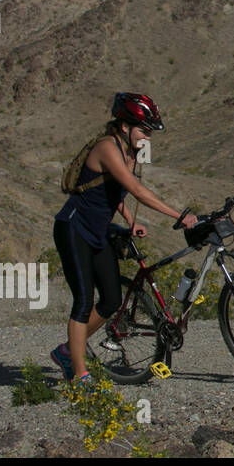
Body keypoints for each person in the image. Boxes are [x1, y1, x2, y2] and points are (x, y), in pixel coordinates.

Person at [50, 92, 198, 383]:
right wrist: (178, 216)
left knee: (111, 300)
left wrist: (131, 220)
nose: (148, 139)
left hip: (98, 232)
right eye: (145, 131)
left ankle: (68, 350)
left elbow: (111, 192)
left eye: (151, 133)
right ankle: (79, 375)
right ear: (125, 126)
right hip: (73, 229)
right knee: (83, 301)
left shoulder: (129, 151)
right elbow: (134, 188)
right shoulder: (108, 148)